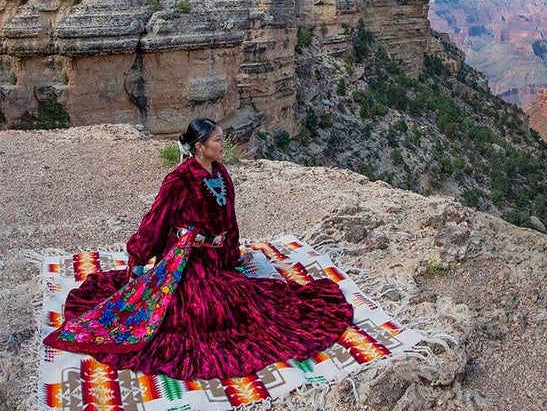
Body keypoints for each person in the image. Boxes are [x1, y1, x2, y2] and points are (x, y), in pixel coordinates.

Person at [43, 118, 354, 381]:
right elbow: (157, 219)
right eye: (218, 140)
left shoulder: (220, 172)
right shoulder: (178, 180)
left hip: (216, 258)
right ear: (199, 147)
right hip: (187, 260)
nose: (223, 144)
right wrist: (139, 257)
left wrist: (231, 255)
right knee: (204, 310)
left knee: (252, 301)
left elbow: (228, 217)